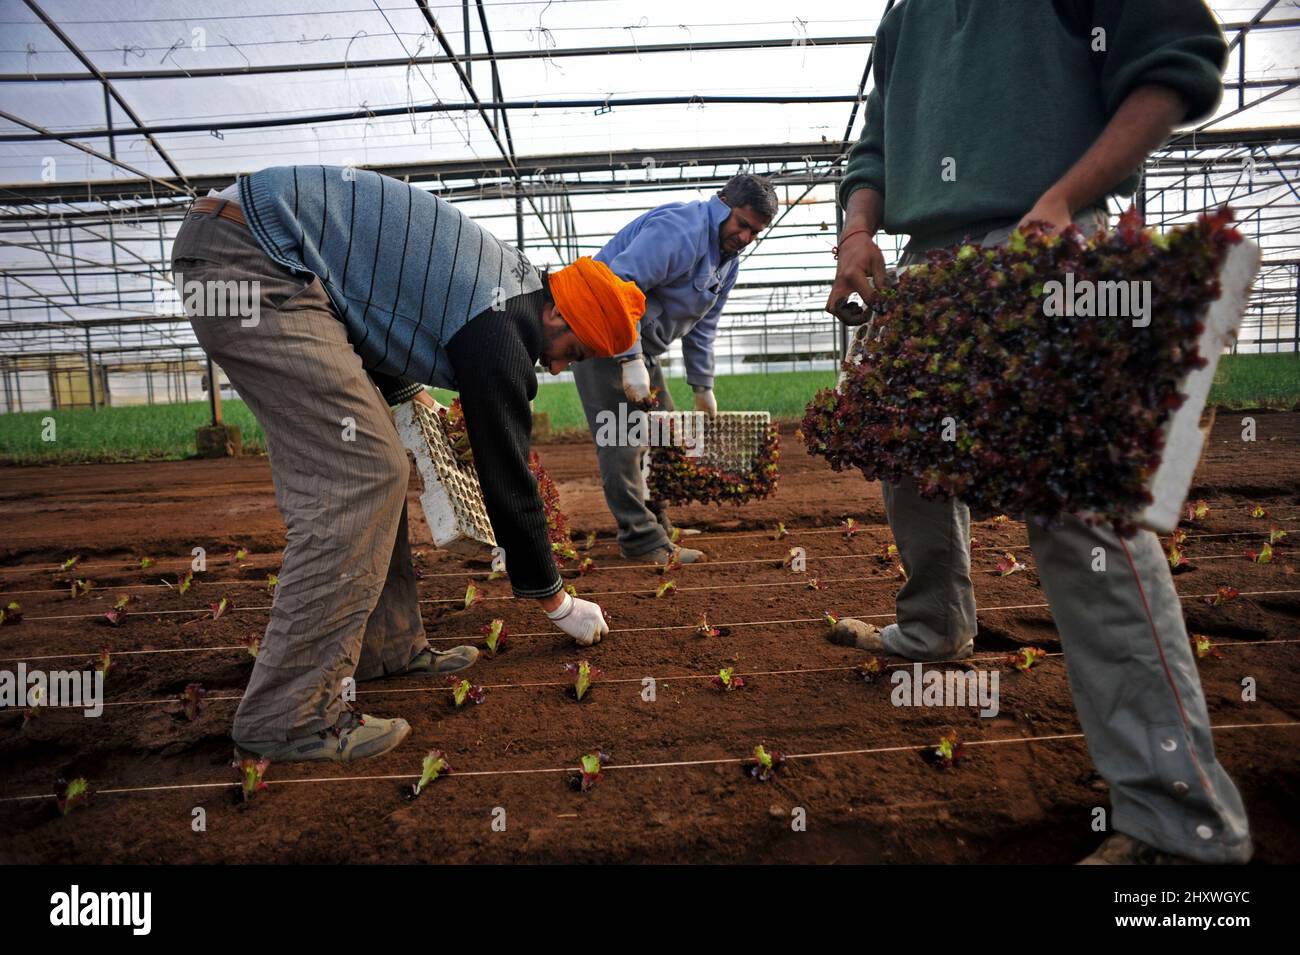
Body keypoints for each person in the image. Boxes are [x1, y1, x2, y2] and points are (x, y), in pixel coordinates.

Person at [825, 0, 1250, 864]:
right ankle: (935, 626)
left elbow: (1176, 56)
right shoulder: (905, 17)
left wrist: (1064, 195)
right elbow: (872, 147)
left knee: (1082, 517)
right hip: (928, 269)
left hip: (1050, 247)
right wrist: (858, 228)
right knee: (909, 469)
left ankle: (1181, 824)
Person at [171, 165, 645, 763]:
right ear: (557, 316)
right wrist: (556, 601)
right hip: (251, 264)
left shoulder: (506, 286)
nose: (556, 369)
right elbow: (508, 473)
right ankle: (287, 718)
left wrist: (403, 390)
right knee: (361, 473)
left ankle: (387, 650)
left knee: (380, 462)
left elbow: (375, 299)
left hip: (263, 253)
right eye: (570, 353)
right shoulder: (501, 326)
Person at [573, 174, 778, 564]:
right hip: (600, 335)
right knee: (623, 437)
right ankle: (640, 541)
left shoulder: (727, 260)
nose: (747, 237)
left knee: (665, 433)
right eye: (743, 224)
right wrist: (629, 358)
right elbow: (619, 285)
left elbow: (704, 326)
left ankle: (658, 525)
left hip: (641, 351)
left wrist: (703, 386)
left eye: (756, 231)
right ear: (723, 207)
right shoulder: (681, 230)